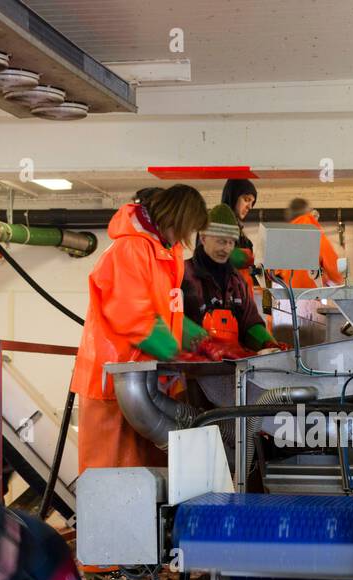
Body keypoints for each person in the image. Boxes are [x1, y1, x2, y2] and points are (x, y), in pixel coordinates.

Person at [71, 184, 214, 473]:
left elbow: (164, 307)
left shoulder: (164, 250)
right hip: (113, 382)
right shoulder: (131, 248)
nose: (186, 240)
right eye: (187, 229)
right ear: (174, 219)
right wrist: (174, 352)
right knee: (111, 476)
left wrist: (199, 341)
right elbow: (129, 312)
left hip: (145, 380)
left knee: (152, 474)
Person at [183, 204, 283, 353]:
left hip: (233, 366)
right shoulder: (184, 275)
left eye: (231, 242)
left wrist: (267, 344)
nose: (227, 249)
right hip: (193, 369)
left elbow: (249, 322)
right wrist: (206, 346)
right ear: (203, 238)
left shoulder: (237, 281)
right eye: (221, 241)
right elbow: (174, 322)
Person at [272, 198, 344, 289]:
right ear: (308, 212)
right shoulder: (317, 237)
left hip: (287, 296)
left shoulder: (281, 239)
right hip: (311, 296)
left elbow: (274, 272)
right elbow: (335, 271)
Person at [220, 178, 259, 294]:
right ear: (233, 196)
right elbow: (212, 256)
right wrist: (250, 258)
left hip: (241, 299)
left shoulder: (241, 234)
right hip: (224, 301)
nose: (250, 207)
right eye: (247, 200)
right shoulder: (216, 224)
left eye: (252, 203)